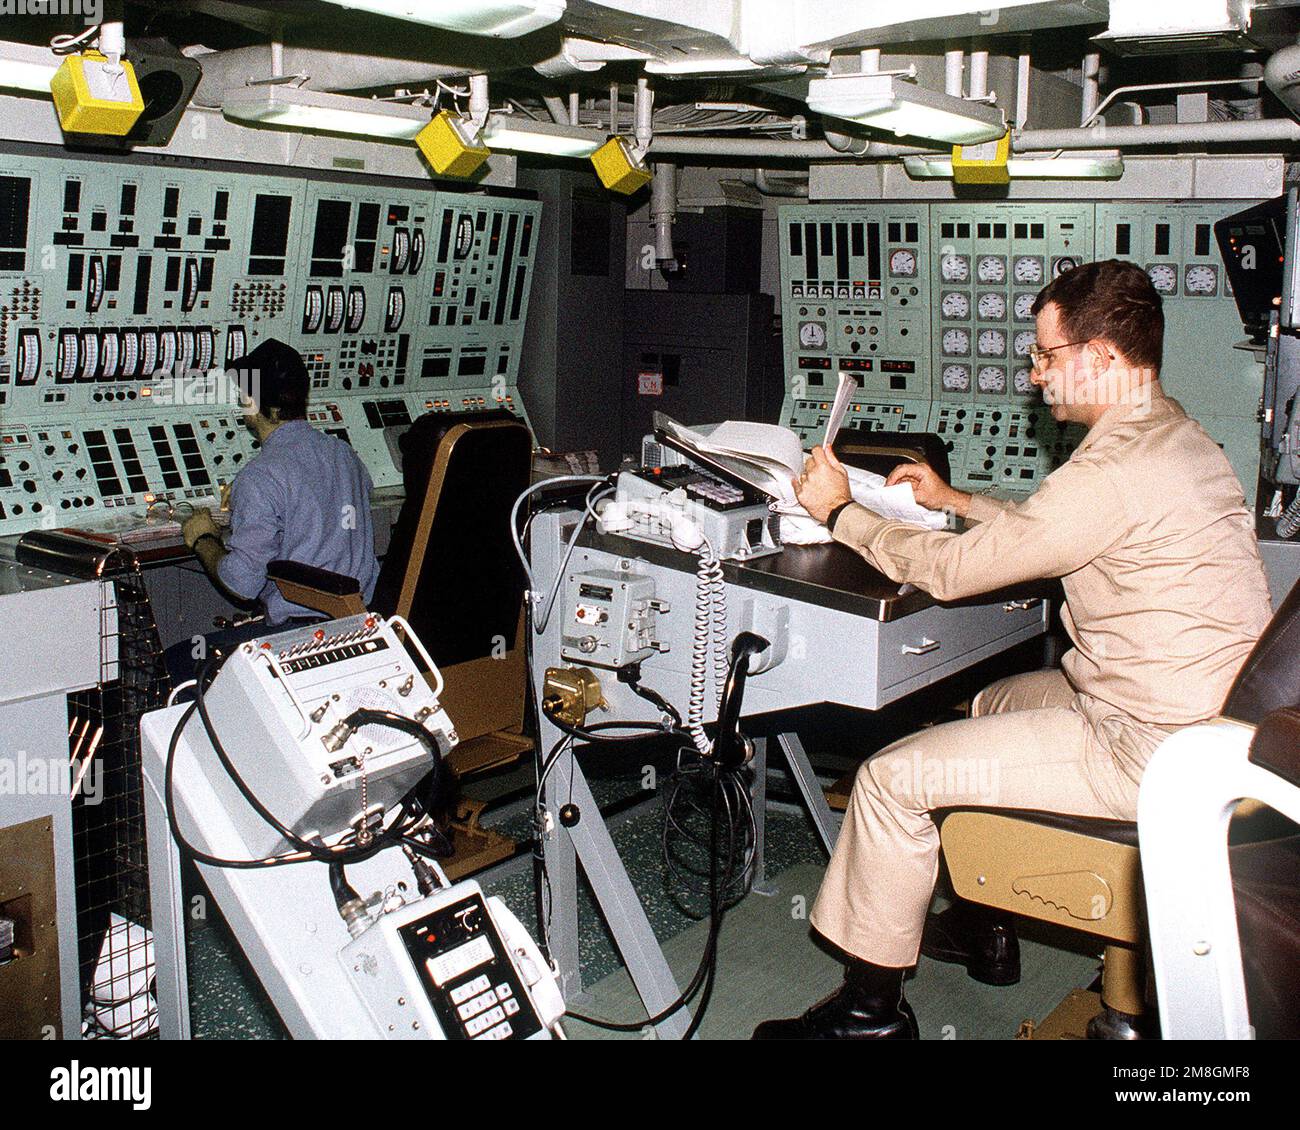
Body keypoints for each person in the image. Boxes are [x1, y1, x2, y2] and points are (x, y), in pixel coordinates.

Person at [754, 259, 1272, 1040]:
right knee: (996, 701)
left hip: (1148, 750)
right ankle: (982, 925)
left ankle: (868, 1015)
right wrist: (953, 500)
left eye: (1046, 356)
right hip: (1213, 725)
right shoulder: (1172, 435)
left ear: (1102, 359)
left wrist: (841, 514)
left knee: (891, 780)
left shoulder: (1114, 468)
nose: (1035, 377)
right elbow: (1052, 529)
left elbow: (953, 574)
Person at [171, 338, 380, 676]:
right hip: (358, 629)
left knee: (173, 663)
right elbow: (328, 501)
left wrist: (204, 539)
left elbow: (242, 584)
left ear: (250, 400)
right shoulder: (345, 454)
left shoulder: (261, 476)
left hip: (300, 640)